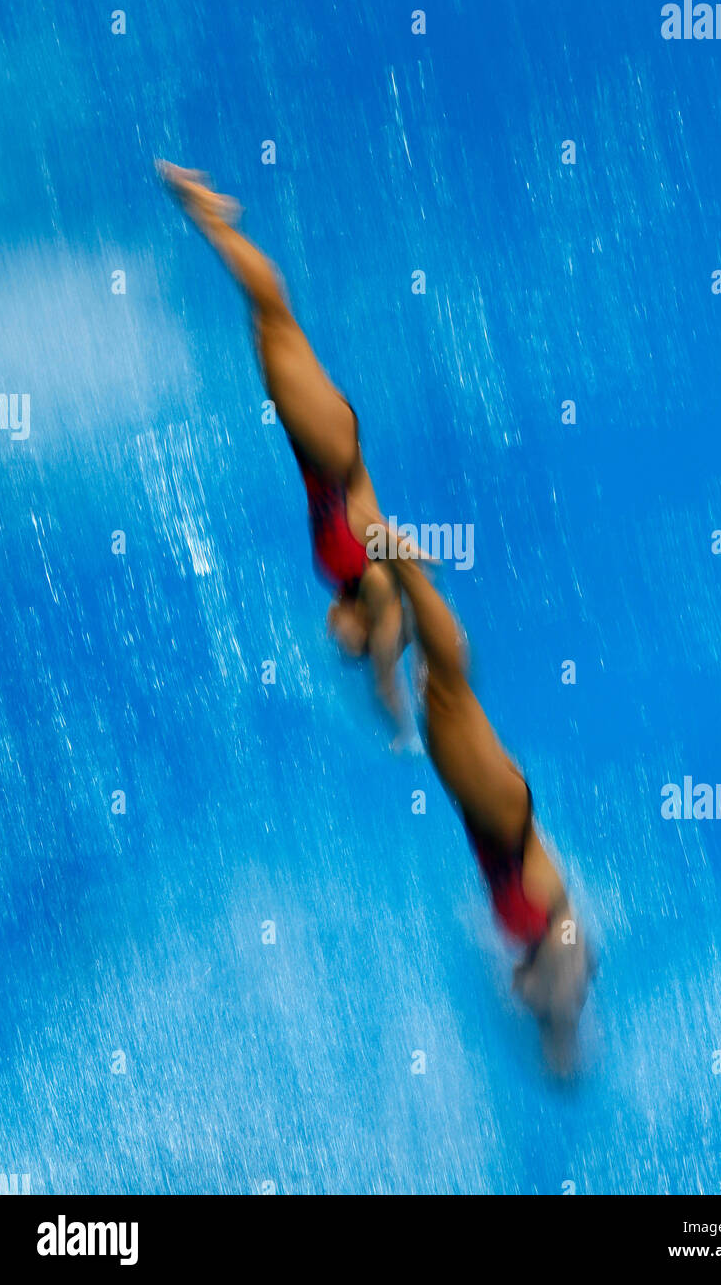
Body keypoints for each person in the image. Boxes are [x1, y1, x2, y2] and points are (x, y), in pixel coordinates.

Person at [157, 162, 411, 740]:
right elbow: (390, 608)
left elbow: (372, 522)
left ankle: (214, 218)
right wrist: (387, 695)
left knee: (269, 324)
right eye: (348, 646)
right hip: (330, 447)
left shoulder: (341, 572)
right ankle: (207, 214)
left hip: (318, 444)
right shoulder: (373, 584)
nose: (332, 638)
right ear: (367, 632)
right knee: (272, 317)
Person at [366, 528, 593, 1073]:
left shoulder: (555, 950)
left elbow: (560, 976)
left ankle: (412, 574)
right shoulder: (551, 948)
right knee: (444, 692)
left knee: (444, 692)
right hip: (504, 833)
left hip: (503, 830)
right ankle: (411, 577)